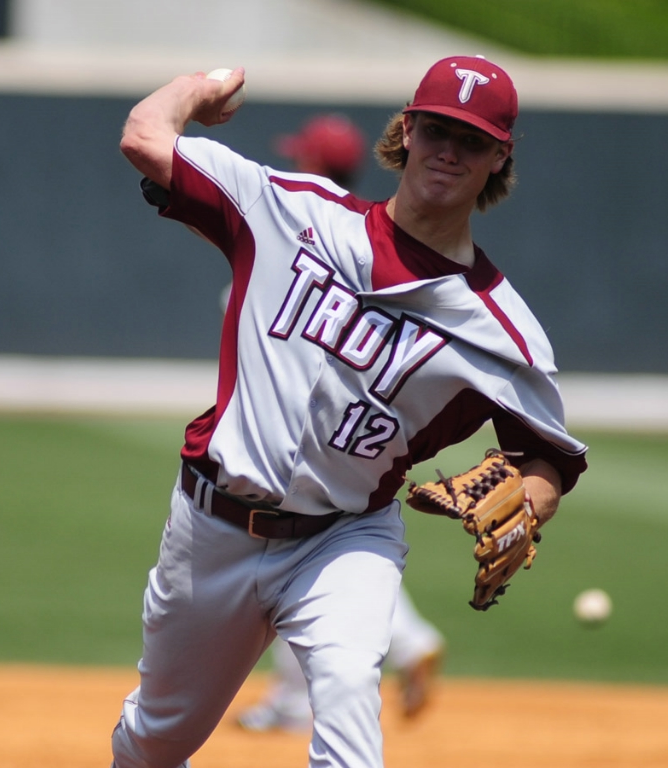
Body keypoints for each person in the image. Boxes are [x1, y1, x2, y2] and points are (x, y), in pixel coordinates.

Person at [113, 54, 589, 768]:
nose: (449, 151)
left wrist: (533, 501)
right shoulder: (291, 209)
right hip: (212, 527)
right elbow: (146, 139)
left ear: (500, 158)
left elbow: (549, 455)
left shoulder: (500, 328)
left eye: (472, 141)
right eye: (436, 130)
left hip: (345, 538)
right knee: (156, 739)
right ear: (407, 130)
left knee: (345, 708)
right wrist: (199, 90)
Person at [236, 112, 446, 734]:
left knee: (285, 554)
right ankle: (406, 640)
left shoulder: (310, 233)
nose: (294, 163)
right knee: (327, 563)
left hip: (301, 439)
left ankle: (294, 700)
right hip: (353, 438)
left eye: (303, 157)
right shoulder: (372, 240)